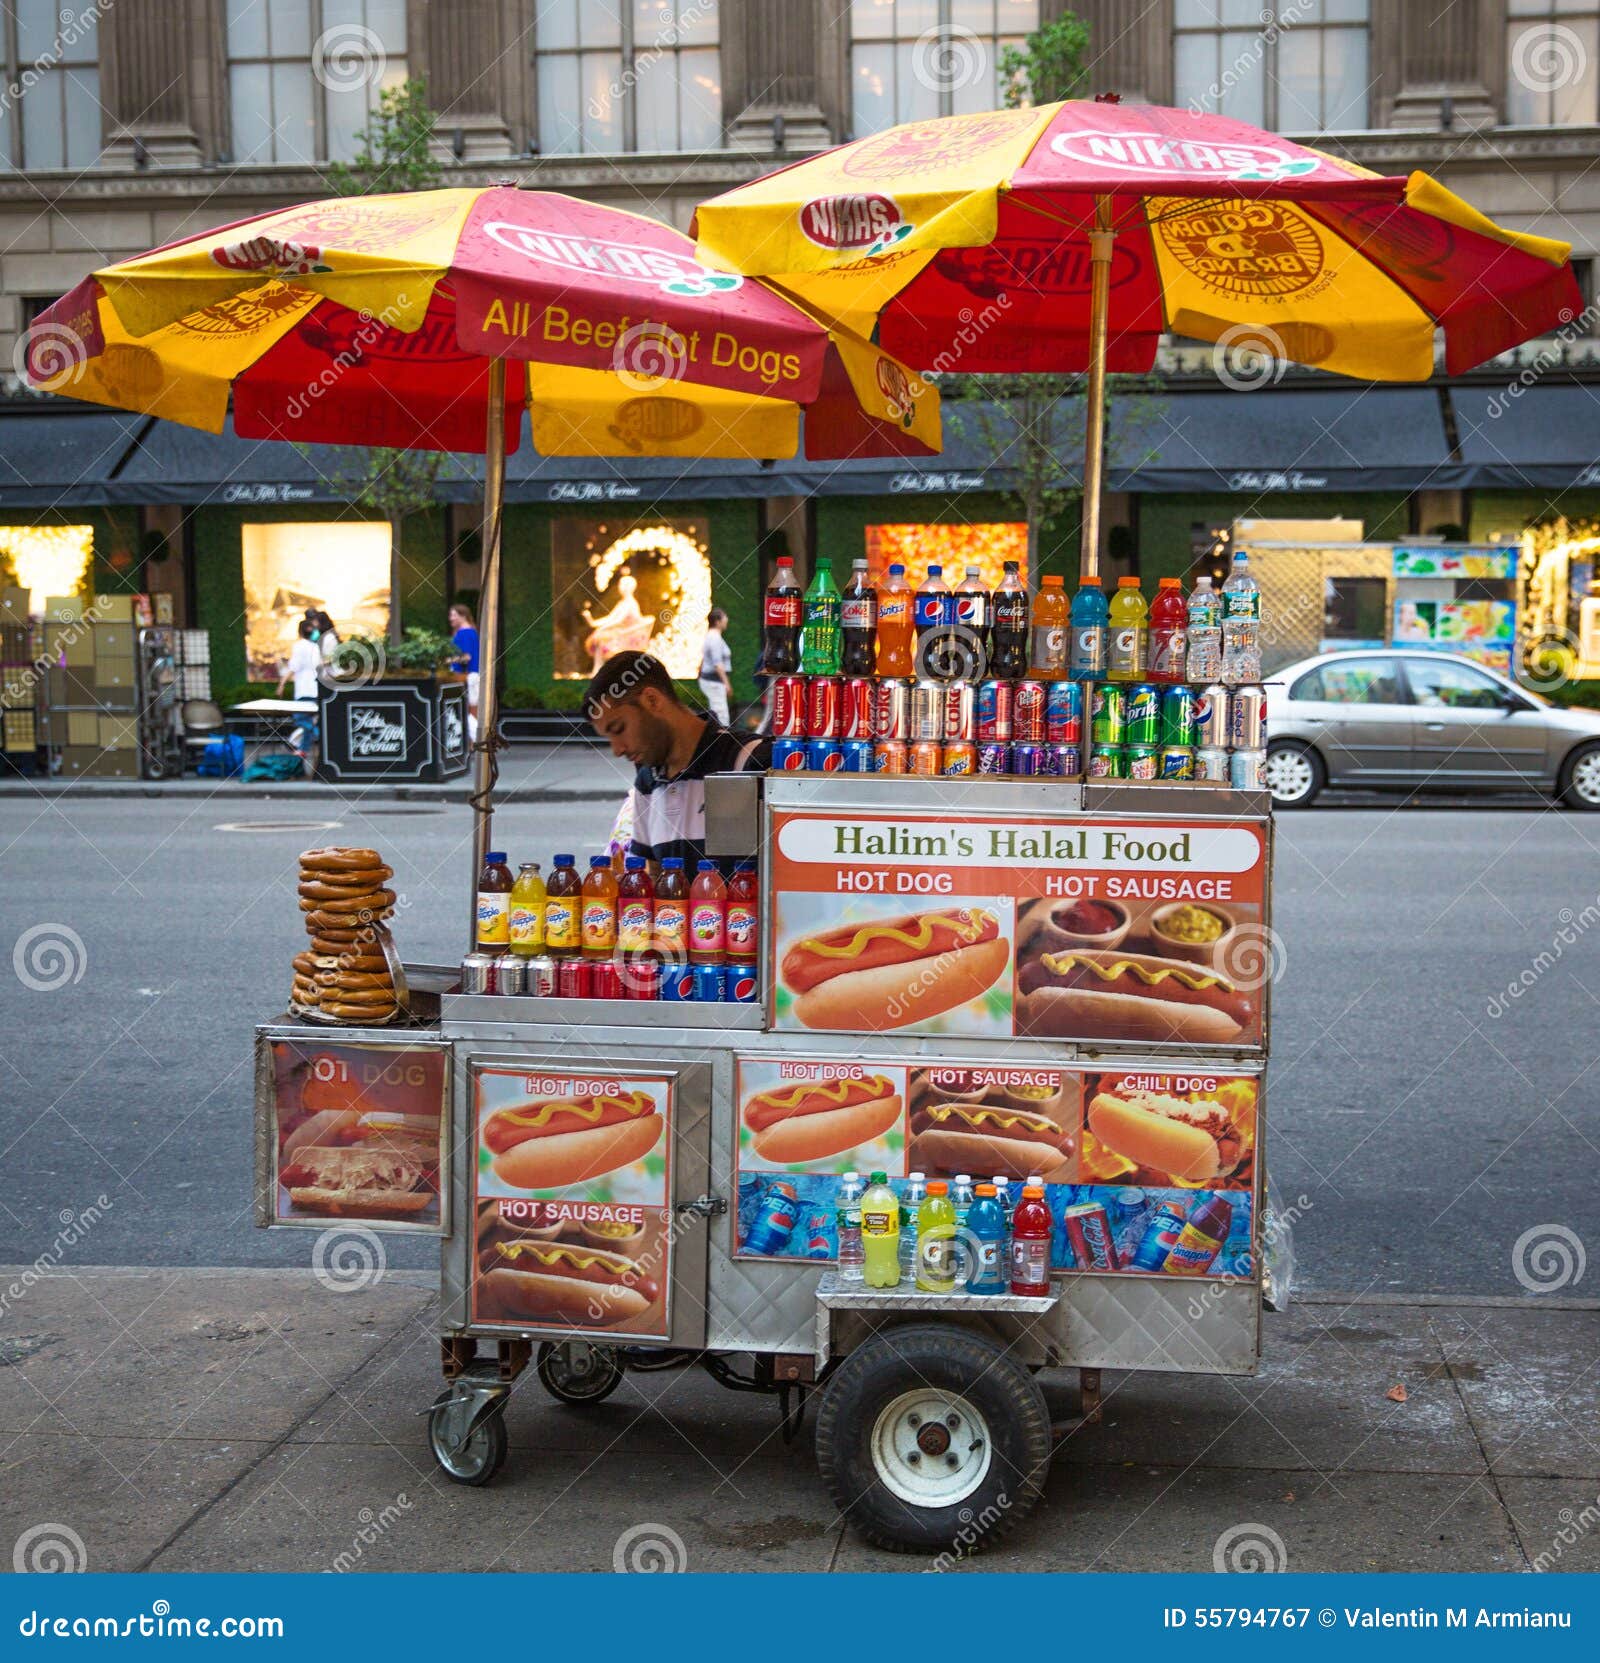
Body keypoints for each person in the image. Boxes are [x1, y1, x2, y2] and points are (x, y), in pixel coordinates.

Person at [585, 650, 769, 870]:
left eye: (619, 729)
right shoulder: (647, 782)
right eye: (608, 738)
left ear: (651, 700)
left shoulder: (745, 760)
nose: (616, 749)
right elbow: (650, 876)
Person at [449, 602, 480, 741]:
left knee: (469, 711)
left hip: (467, 676)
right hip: (472, 675)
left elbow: (466, 657)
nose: (451, 618)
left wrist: (447, 661)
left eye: (454, 615)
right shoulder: (472, 632)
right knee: (472, 709)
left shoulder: (465, 633)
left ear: (463, 616)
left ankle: (476, 741)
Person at [698, 607, 733, 725]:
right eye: (724, 617)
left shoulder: (712, 636)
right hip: (714, 682)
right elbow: (717, 663)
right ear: (717, 621)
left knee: (718, 714)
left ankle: (717, 741)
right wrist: (726, 683)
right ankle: (722, 742)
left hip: (713, 681)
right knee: (721, 716)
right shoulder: (714, 638)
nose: (726, 619)